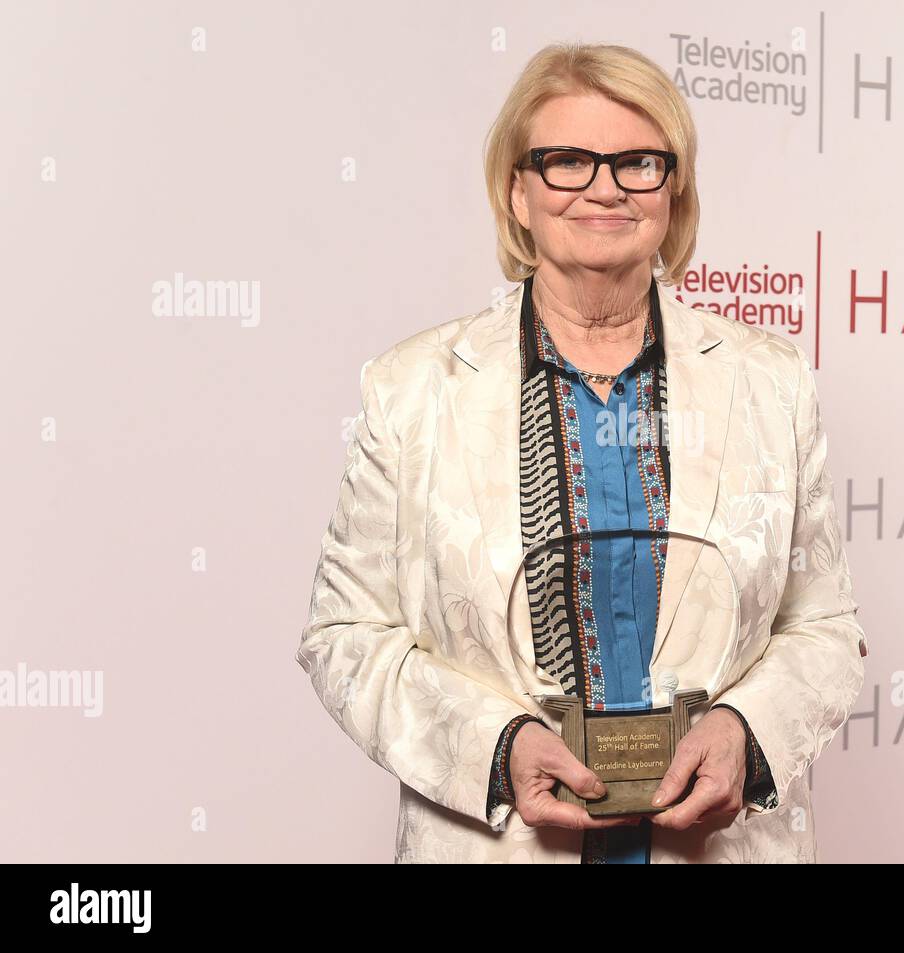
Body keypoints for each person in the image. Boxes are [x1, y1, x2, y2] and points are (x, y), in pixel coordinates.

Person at [296, 42, 867, 863]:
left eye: (638, 162)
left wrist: (749, 731)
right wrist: (497, 747)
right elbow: (344, 633)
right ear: (516, 192)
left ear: (673, 191)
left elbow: (823, 625)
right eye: (567, 160)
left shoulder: (771, 383)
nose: (604, 187)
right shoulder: (412, 389)